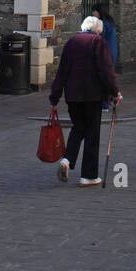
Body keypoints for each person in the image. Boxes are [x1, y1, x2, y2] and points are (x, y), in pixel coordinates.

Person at [50, 15, 121, 185]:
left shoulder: (71, 43)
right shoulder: (98, 43)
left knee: (79, 127)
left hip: (73, 96)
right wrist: (115, 92)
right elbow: (106, 71)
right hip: (92, 95)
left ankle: (67, 160)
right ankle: (88, 176)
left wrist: (54, 97)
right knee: (92, 133)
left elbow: (62, 71)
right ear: (97, 31)